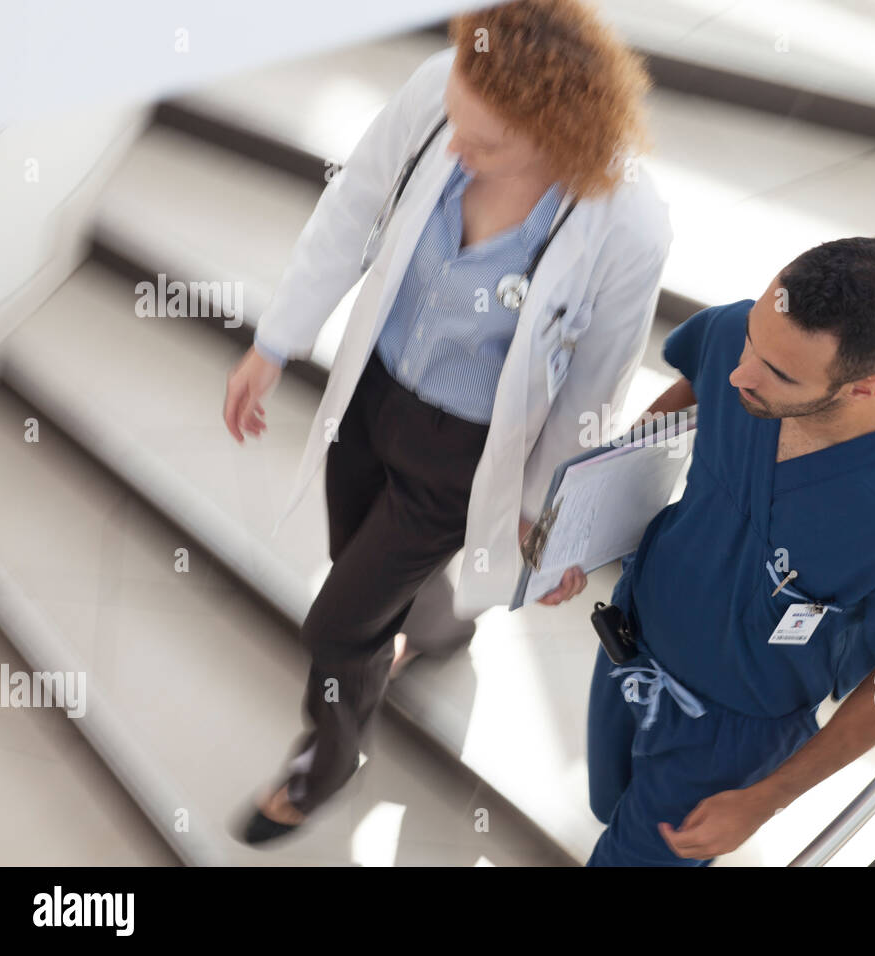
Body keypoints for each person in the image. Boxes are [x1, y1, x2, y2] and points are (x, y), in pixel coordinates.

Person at [221, 0, 672, 844]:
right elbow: (354, 206)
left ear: (559, 132)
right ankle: (436, 629)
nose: (457, 152)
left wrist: (545, 512)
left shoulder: (629, 226)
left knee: (339, 623)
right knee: (353, 558)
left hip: (464, 452)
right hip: (372, 394)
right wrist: (276, 340)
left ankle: (329, 760)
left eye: (486, 145)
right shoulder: (448, 90)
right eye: (457, 126)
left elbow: (595, 388)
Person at [580, 237, 875, 865]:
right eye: (753, 340)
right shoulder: (737, 342)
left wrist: (765, 798)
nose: (742, 373)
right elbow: (694, 386)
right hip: (627, 641)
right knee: (609, 804)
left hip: (724, 737)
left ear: (862, 386)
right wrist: (586, 522)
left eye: (781, 373)